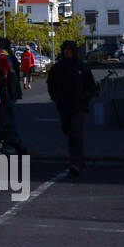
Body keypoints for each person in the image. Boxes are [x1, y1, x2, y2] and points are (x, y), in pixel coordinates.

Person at [46, 40, 97, 175]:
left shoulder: (81, 67)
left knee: (76, 135)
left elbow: (91, 86)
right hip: (64, 107)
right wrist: (55, 97)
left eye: (70, 49)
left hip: (79, 107)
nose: (67, 52)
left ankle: (77, 163)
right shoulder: (57, 68)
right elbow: (51, 84)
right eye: (65, 50)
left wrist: (85, 97)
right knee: (69, 134)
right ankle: (76, 159)